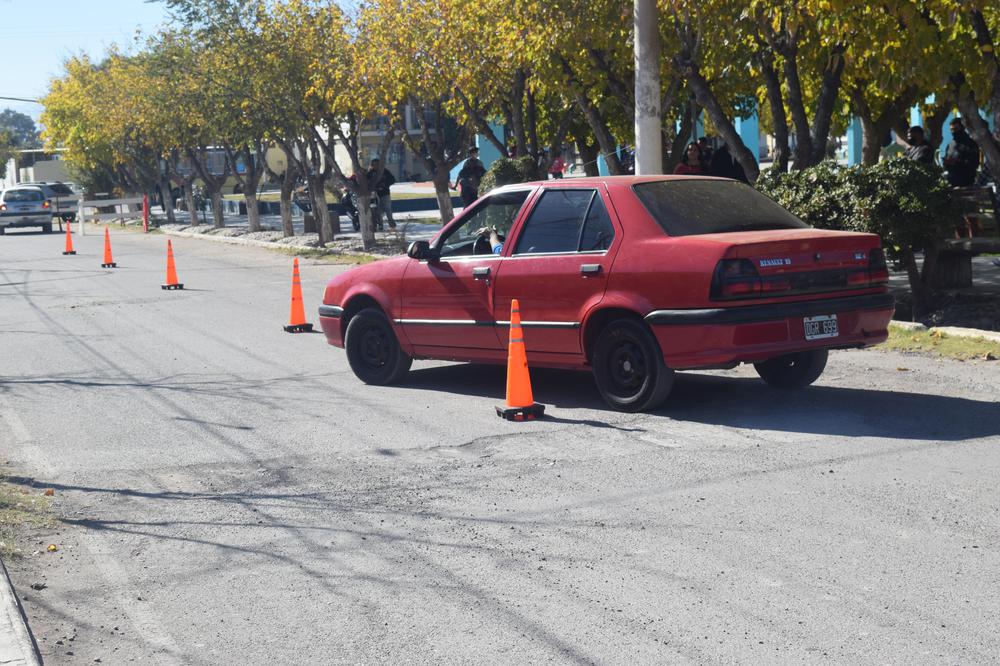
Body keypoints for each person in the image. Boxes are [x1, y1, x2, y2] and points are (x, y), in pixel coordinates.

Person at [943, 117, 980, 187]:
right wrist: (947, 163)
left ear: (962, 128)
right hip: (952, 182)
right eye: (951, 130)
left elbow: (975, 163)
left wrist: (957, 162)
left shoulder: (971, 143)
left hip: (966, 182)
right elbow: (946, 161)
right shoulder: (950, 144)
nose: (953, 132)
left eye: (956, 129)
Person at [366, 158, 396, 229]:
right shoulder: (370, 173)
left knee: (388, 209)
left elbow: (392, 180)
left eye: (377, 164)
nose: (376, 166)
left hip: (385, 193)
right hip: (374, 195)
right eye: (374, 164)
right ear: (372, 165)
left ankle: (391, 223)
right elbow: (366, 183)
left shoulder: (385, 171)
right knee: (377, 210)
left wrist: (384, 185)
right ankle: (380, 224)